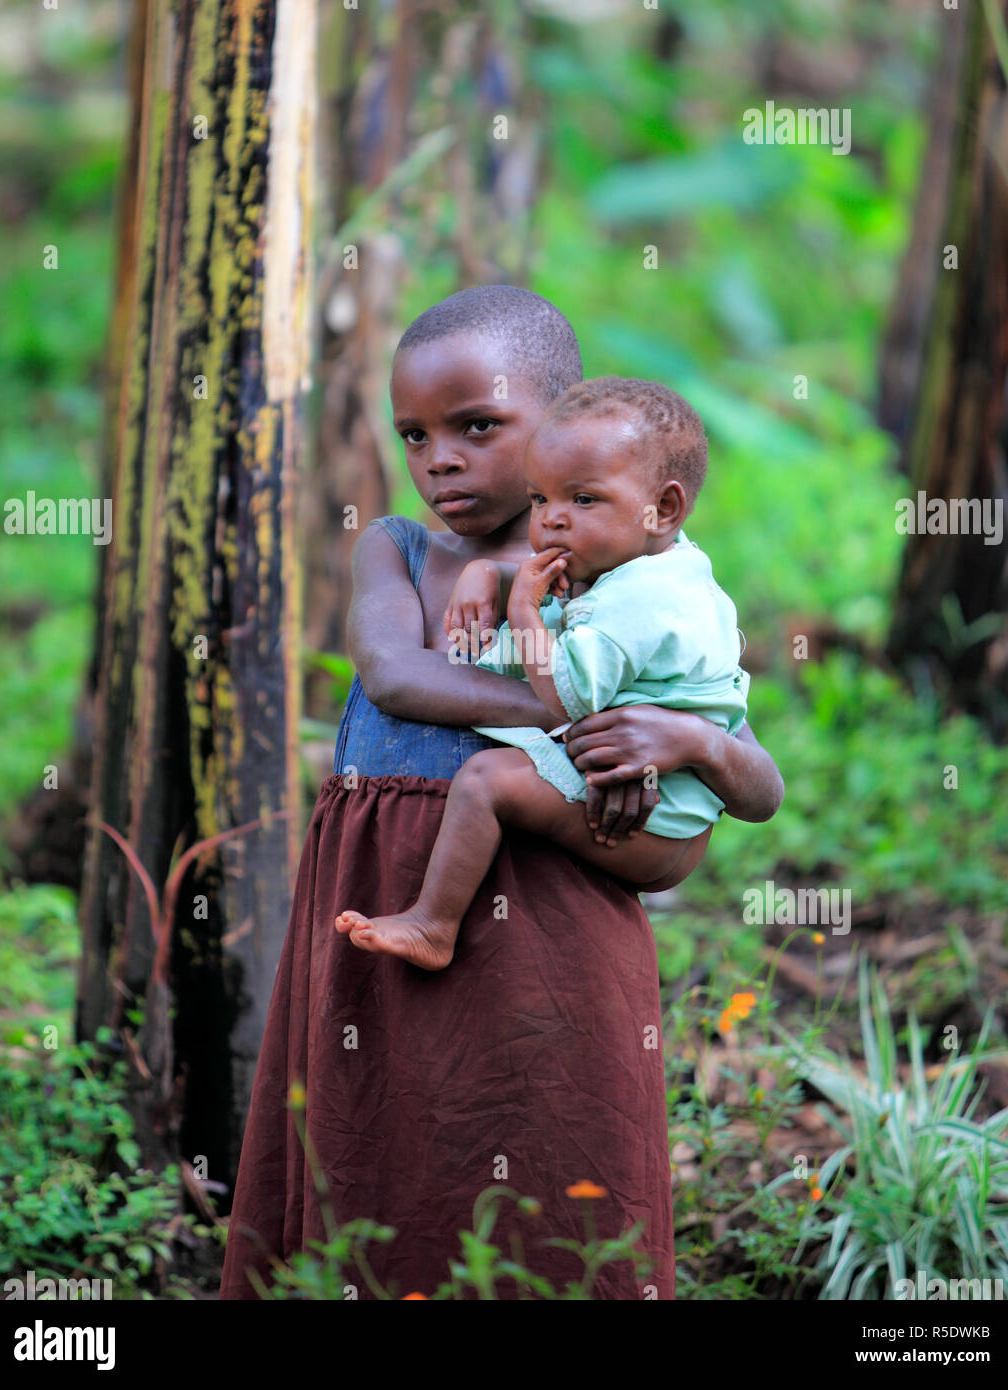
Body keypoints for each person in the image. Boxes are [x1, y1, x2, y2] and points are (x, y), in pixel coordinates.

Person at [219, 285, 784, 1302]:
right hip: (386, 897)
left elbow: (750, 778)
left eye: (477, 426)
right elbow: (394, 676)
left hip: (552, 941)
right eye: (414, 434)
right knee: (376, 1157)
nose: (439, 457)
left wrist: (680, 735)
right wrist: (570, 720)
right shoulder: (397, 549)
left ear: (561, 420)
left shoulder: (634, 588)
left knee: (551, 1167)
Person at [335, 377, 750, 972]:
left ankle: (433, 923)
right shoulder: (633, 568)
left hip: (646, 827)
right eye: (540, 499)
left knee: (485, 782)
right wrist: (503, 593)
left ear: (663, 508)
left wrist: (521, 610)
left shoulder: (646, 597)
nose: (553, 521)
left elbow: (569, 697)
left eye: (581, 500)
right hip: (647, 821)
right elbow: (441, 671)